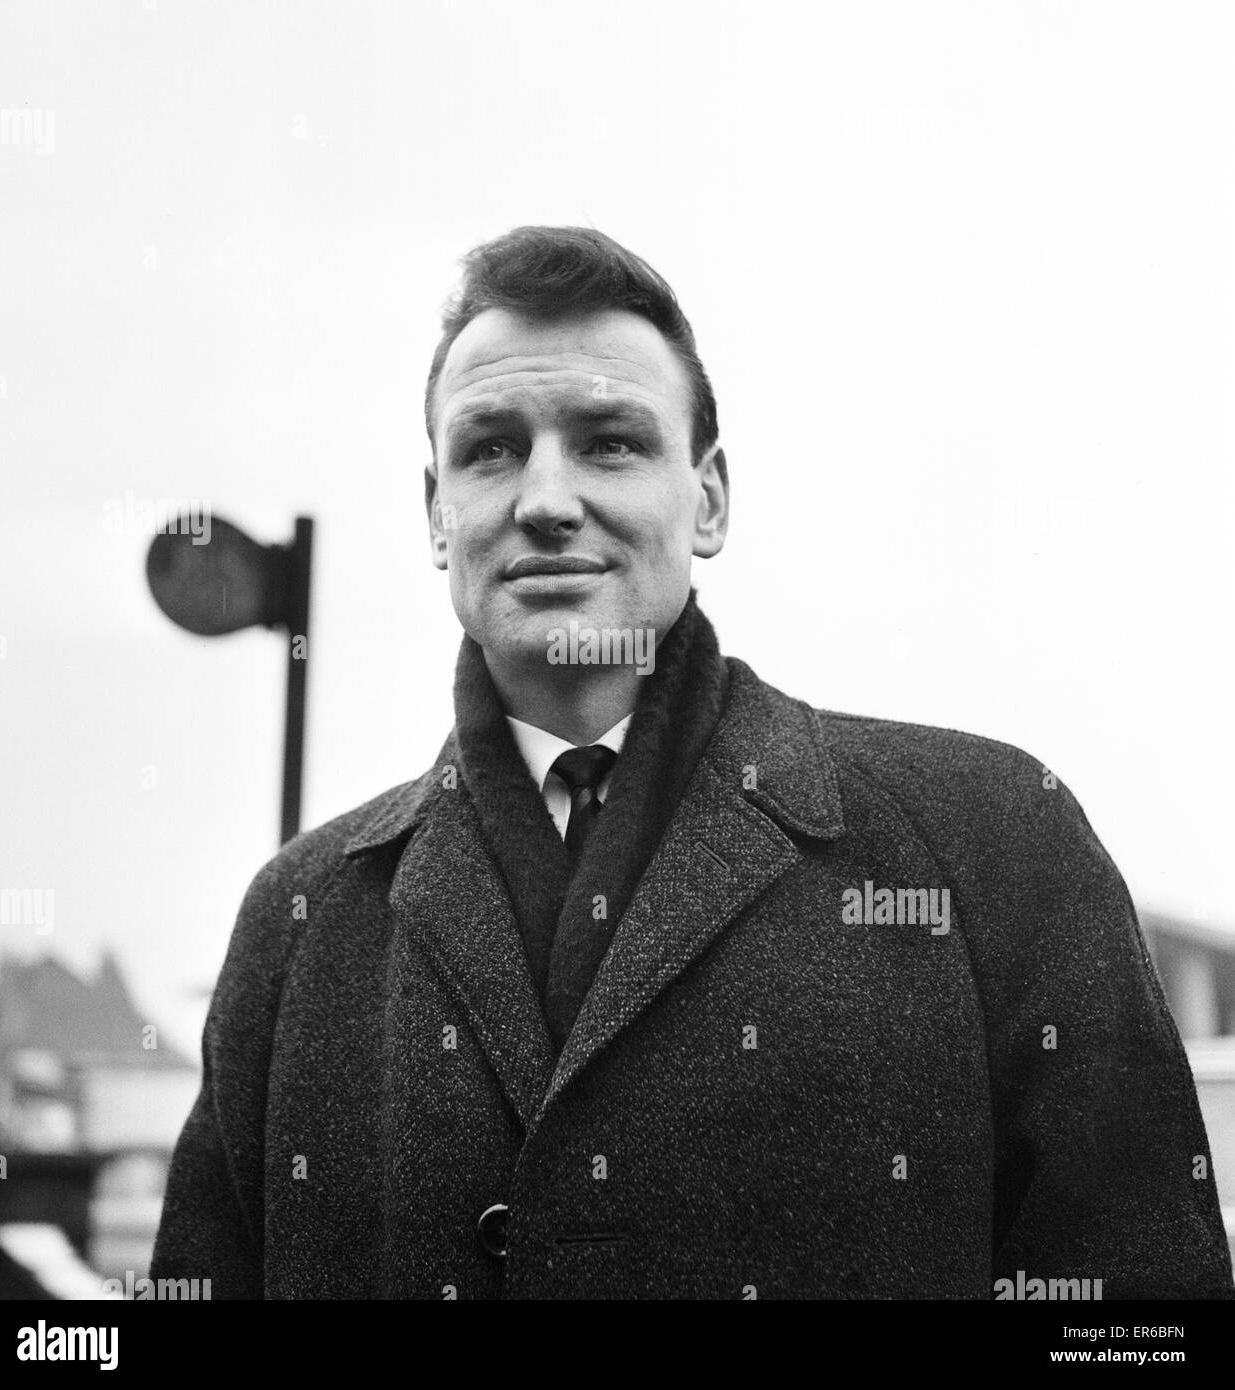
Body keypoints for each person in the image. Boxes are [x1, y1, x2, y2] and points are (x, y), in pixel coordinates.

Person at [151, 225, 1234, 1299]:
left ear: (707, 500)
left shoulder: (991, 842)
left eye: (608, 440)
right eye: (489, 448)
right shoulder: (298, 920)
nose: (543, 497)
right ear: (436, 517)